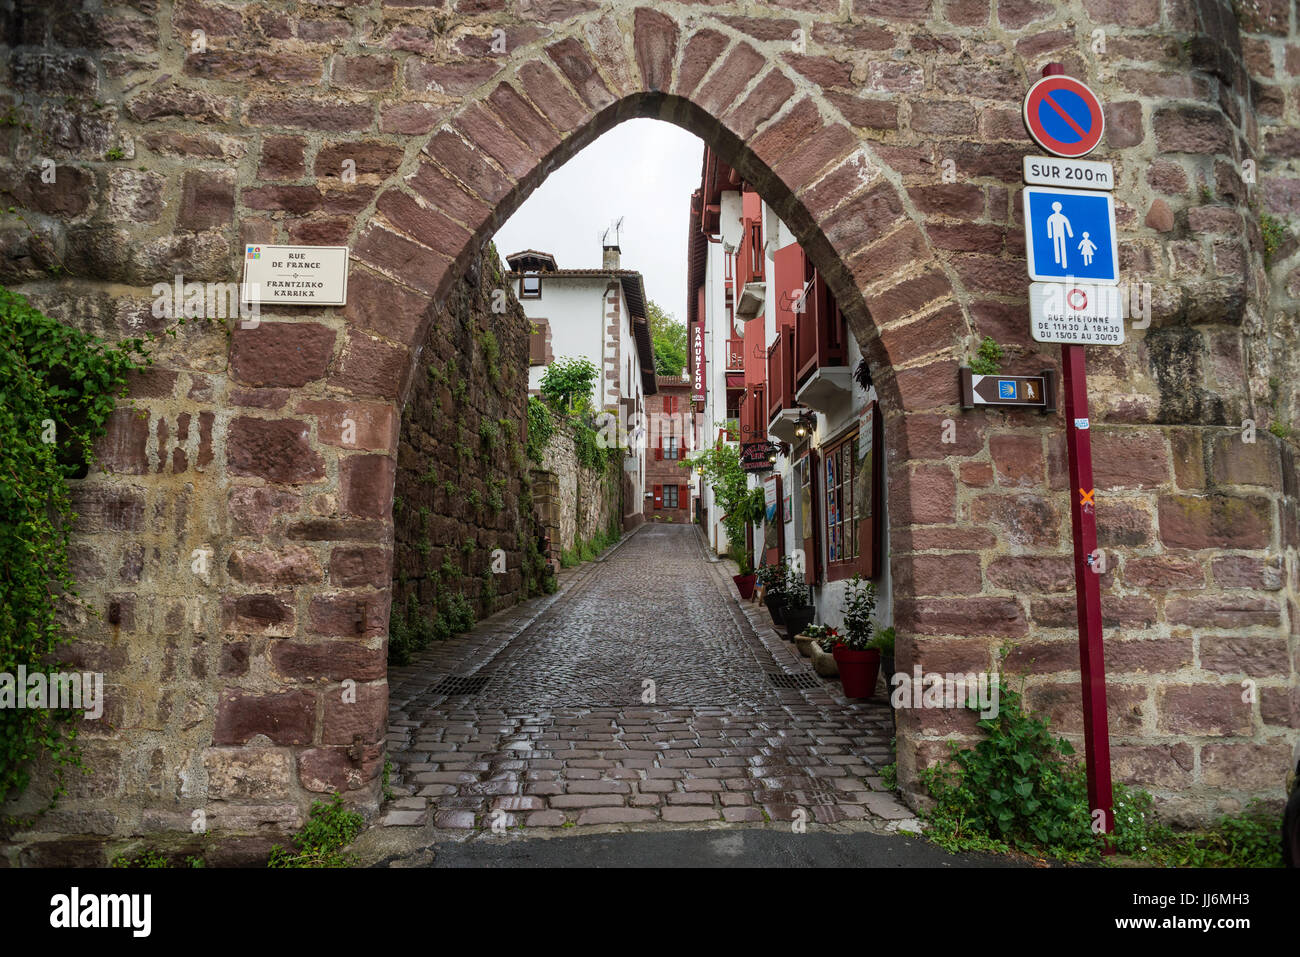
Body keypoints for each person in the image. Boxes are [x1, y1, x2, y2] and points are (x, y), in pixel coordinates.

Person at [1046, 200, 1073, 268]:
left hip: (1062, 233)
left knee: (1062, 246)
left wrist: (1070, 234)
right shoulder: (1051, 217)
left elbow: (1067, 224)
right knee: (1056, 245)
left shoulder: (1062, 217)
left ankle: (1064, 262)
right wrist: (1050, 234)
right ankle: (1057, 260)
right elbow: (1049, 225)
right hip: (1055, 233)